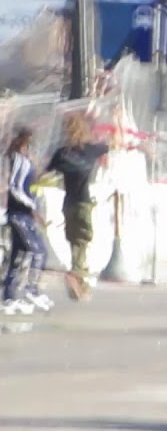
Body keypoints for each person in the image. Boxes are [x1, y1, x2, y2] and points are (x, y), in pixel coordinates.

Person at [47, 113, 110, 301]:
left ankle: (80, 284)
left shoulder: (61, 153)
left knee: (74, 240)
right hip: (83, 201)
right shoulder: (90, 150)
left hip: (68, 202)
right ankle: (76, 275)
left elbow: (46, 171)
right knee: (82, 241)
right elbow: (111, 145)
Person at [3, 127, 52, 314]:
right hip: (19, 215)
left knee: (18, 256)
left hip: (22, 214)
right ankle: (31, 289)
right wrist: (32, 207)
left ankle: (9, 297)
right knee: (38, 251)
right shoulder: (19, 160)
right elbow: (15, 187)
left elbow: (24, 185)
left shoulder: (25, 161)